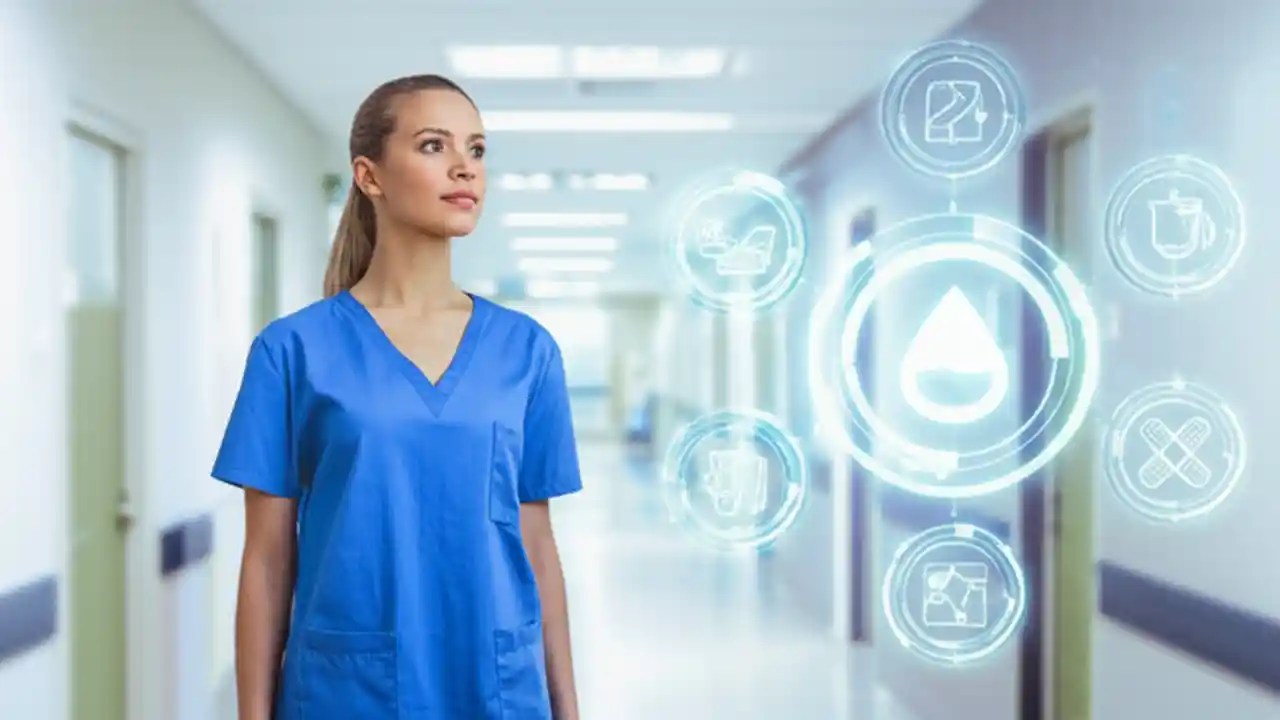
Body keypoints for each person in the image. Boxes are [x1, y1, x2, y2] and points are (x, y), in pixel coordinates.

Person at [211, 74, 583, 720]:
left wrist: (569, 709)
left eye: (478, 149)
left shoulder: (527, 352)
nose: (466, 168)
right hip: (347, 693)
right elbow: (267, 561)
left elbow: (538, 545)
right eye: (435, 146)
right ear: (369, 175)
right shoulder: (293, 351)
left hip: (496, 689)